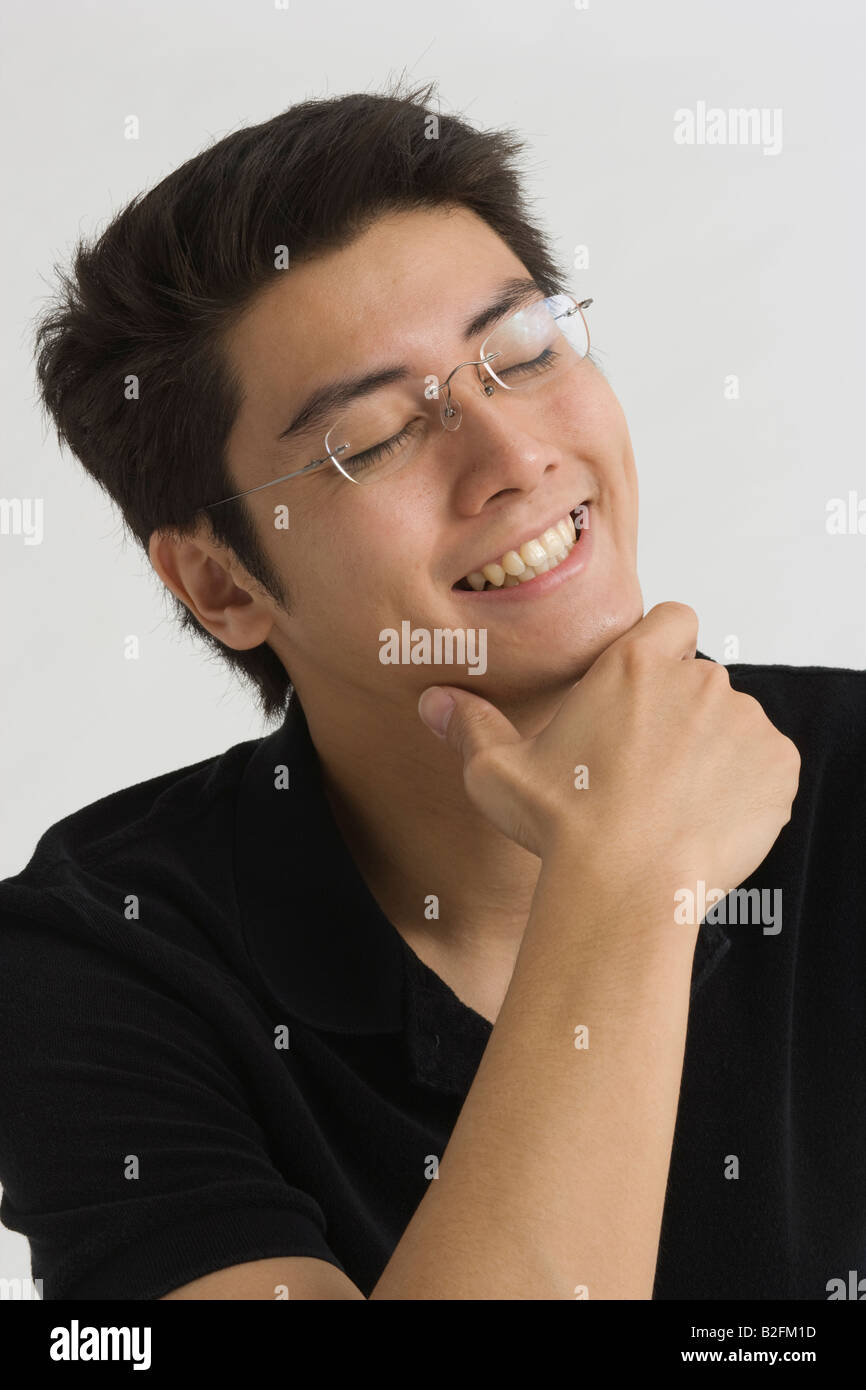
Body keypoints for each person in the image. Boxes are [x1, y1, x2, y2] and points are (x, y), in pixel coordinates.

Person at [0, 80, 863, 1302]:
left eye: (522, 353)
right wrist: (622, 883)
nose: (514, 458)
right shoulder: (100, 960)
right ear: (219, 581)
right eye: (371, 439)